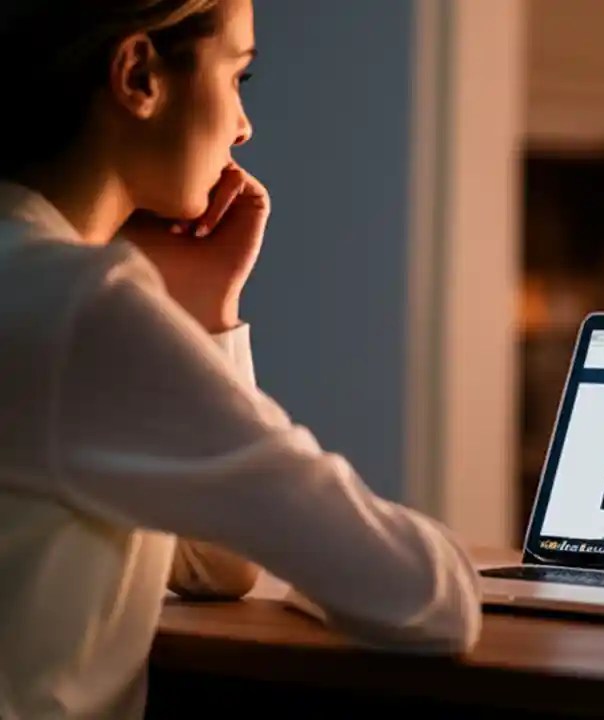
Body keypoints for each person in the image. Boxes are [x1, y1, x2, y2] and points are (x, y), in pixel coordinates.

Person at [0, 1, 481, 717]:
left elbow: (212, 566)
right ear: (138, 76)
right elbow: (424, 596)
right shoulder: (80, 307)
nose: (243, 126)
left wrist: (203, 314)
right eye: (239, 76)